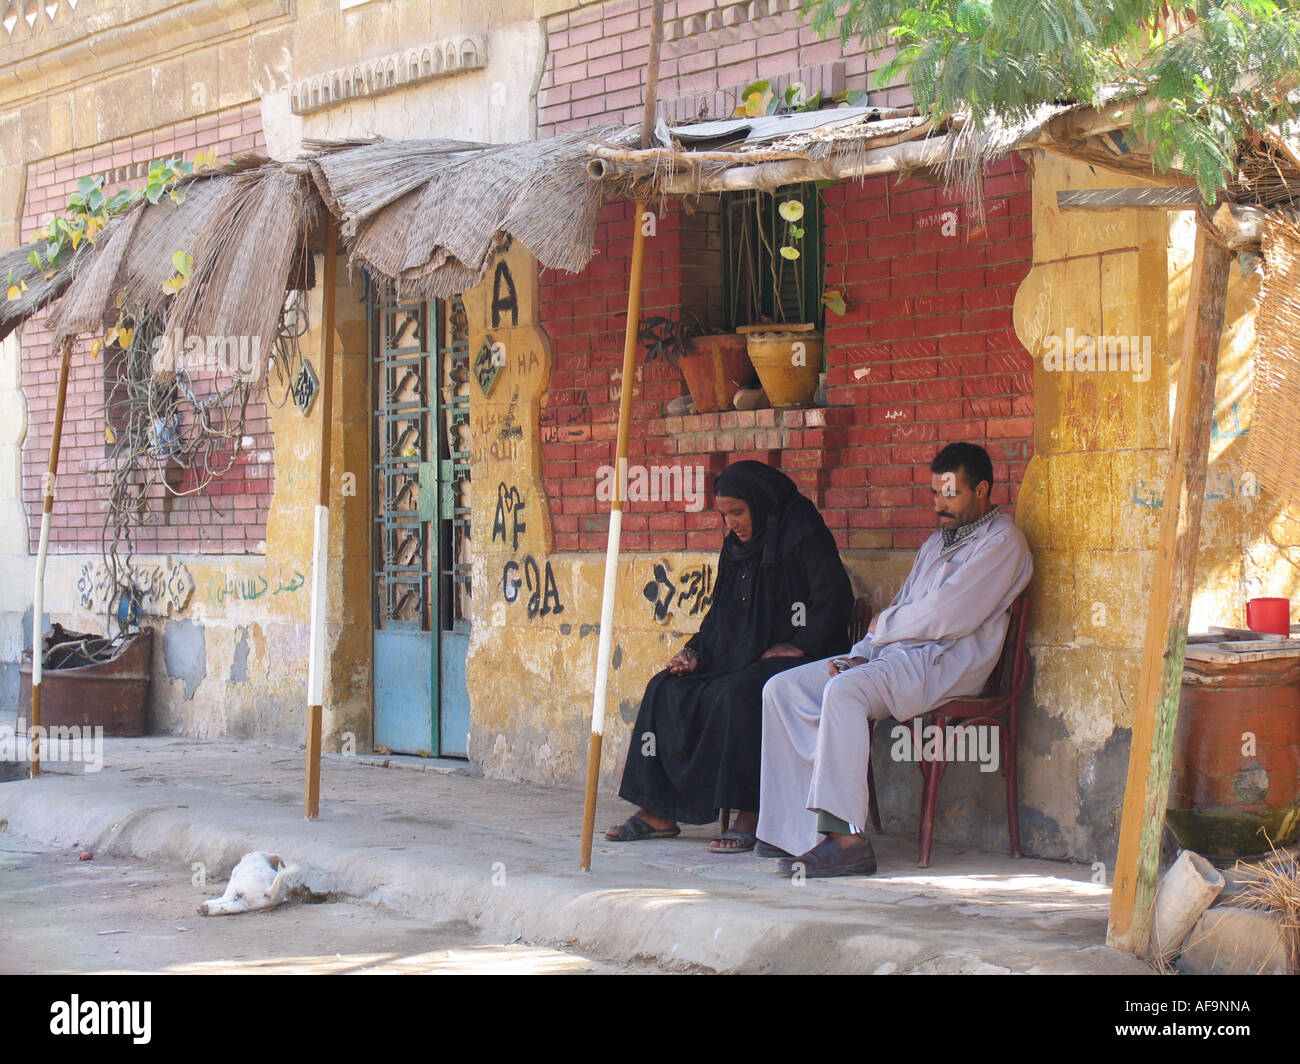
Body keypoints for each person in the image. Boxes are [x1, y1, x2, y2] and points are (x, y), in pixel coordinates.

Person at [756, 442, 1034, 876]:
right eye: (934, 494)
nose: (939, 506)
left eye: (950, 494)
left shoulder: (1003, 542)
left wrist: (877, 637)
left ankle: (847, 840)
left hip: (946, 664)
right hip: (898, 659)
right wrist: (860, 654)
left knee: (844, 692)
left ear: (982, 490)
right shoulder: (933, 544)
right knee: (782, 688)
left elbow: (947, 614)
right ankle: (789, 831)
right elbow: (901, 607)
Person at [606, 460, 852, 853]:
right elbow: (720, 613)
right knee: (665, 688)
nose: (732, 523)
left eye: (738, 512)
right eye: (726, 514)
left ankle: (753, 814)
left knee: (739, 695)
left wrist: (803, 641)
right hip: (740, 654)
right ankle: (659, 810)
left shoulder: (801, 530)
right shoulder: (736, 547)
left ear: (760, 501)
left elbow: (834, 597)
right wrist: (695, 653)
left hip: (802, 659)